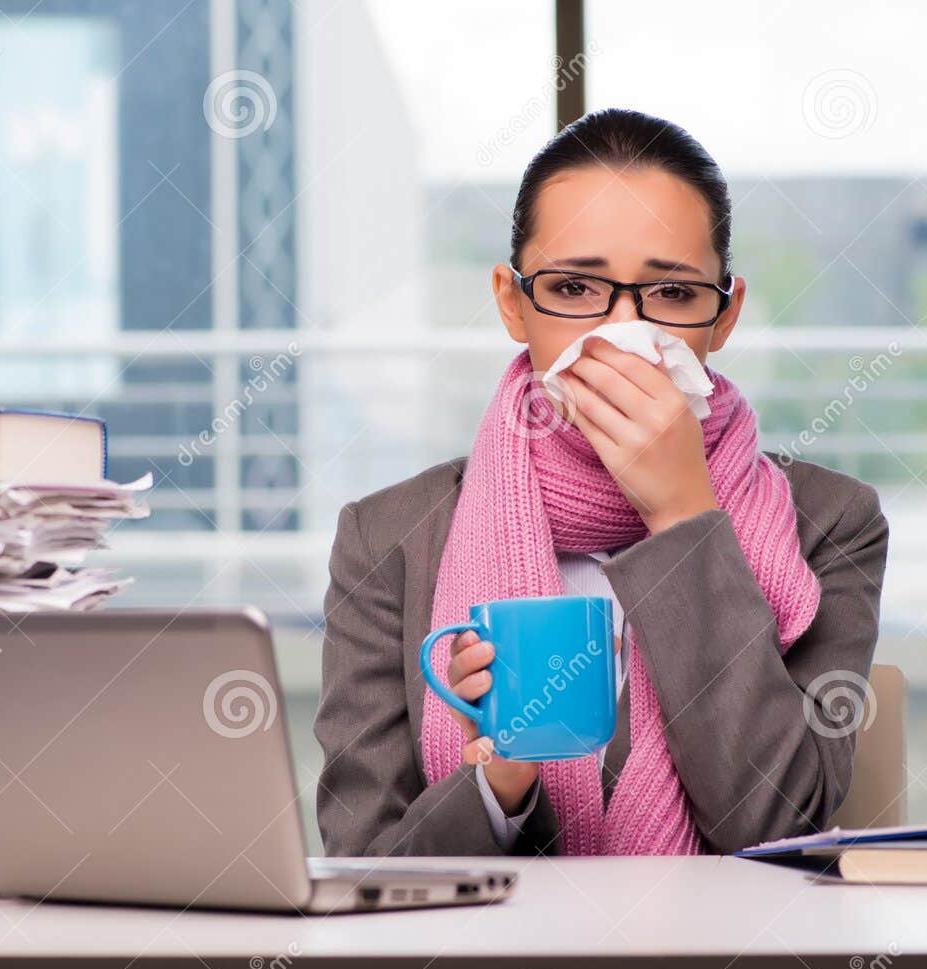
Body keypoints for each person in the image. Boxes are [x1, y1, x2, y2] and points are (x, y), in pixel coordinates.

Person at [314, 108, 888, 858]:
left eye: (674, 295)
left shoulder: (829, 520)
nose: (622, 331)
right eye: (576, 288)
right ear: (513, 303)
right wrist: (499, 781)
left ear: (726, 315)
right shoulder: (389, 536)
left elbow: (780, 828)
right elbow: (363, 869)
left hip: (732, 967)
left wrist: (685, 514)